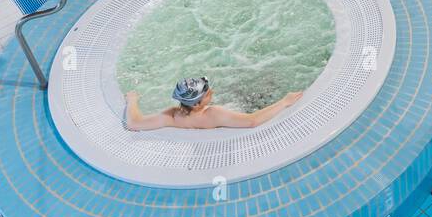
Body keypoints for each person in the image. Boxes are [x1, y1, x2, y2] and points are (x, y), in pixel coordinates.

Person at [124, 76, 304, 131]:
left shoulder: (173, 116)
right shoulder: (213, 114)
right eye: (208, 93)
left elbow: (133, 123)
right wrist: (284, 102)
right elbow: (252, 121)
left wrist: (132, 101)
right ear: (197, 104)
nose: (213, 92)